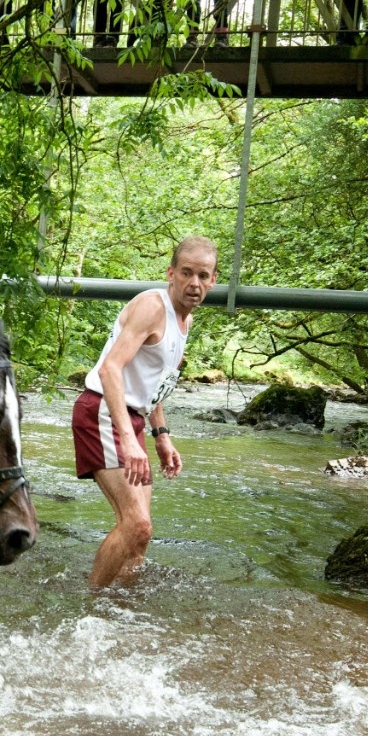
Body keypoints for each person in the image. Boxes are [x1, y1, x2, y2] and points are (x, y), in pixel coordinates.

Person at [71, 236, 219, 588]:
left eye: (203, 275)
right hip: (103, 413)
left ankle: (122, 610)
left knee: (139, 534)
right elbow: (110, 369)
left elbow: (155, 382)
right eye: (186, 273)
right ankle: (93, 607)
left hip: (132, 419)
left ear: (213, 280)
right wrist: (129, 440)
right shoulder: (153, 306)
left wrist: (161, 436)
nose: (194, 284)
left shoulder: (186, 322)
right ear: (171, 273)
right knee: (136, 524)